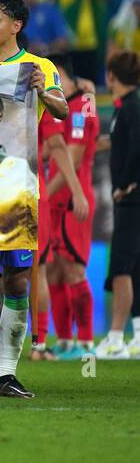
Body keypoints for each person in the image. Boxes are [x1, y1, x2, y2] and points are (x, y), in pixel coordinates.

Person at [0, 0, 76, 398]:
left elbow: (62, 111)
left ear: (15, 26)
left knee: (18, 280)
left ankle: (8, 374)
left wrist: (44, 91)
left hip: (20, 186)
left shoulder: (39, 67)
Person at [40, 54, 99, 360]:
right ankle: (64, 341)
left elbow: (73, 159)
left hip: (71, 194)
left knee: (75, 269)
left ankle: (86, 341)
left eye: (55, 76)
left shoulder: (80, 106)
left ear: (64, 73)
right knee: (54, 271)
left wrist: (43, 196)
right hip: (56, 193)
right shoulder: (66, 105)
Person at [99, 51, 140, 359]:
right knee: (134, 267)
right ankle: (137, 335)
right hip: (129, 198)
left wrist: (124, 184)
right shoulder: (126, 107)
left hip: (131, 199)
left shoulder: (132, 107)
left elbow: (137, 146)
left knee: (121, 268)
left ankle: (115, 338)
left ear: (111, 75)